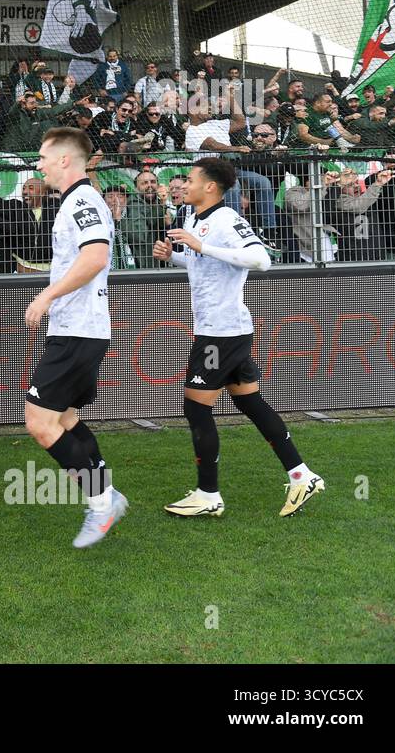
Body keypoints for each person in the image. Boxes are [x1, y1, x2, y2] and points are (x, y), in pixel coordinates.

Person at [153, 157, 324, 518]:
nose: (183, 184)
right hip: (223, 331)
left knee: (196, 407)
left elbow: (260, 260)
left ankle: (208, 495)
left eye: (190, 179)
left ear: (210, 187)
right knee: (250, 403)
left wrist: (200, 248)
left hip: (221, 334)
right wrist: (176, 258)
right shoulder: (193, 218)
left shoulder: (228, 219)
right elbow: (205, 265)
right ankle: (301, 475)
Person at [22, 127, 129, 548]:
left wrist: (46, 295)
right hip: (80, 330)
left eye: (44, 157)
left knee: (40, 423)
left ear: (65, 160)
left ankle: (101, 504)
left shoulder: (81, 201)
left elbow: (95, 256)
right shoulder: (76, 201)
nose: (40, 164)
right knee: (65, 418)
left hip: (77, 330)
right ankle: (107, 495)